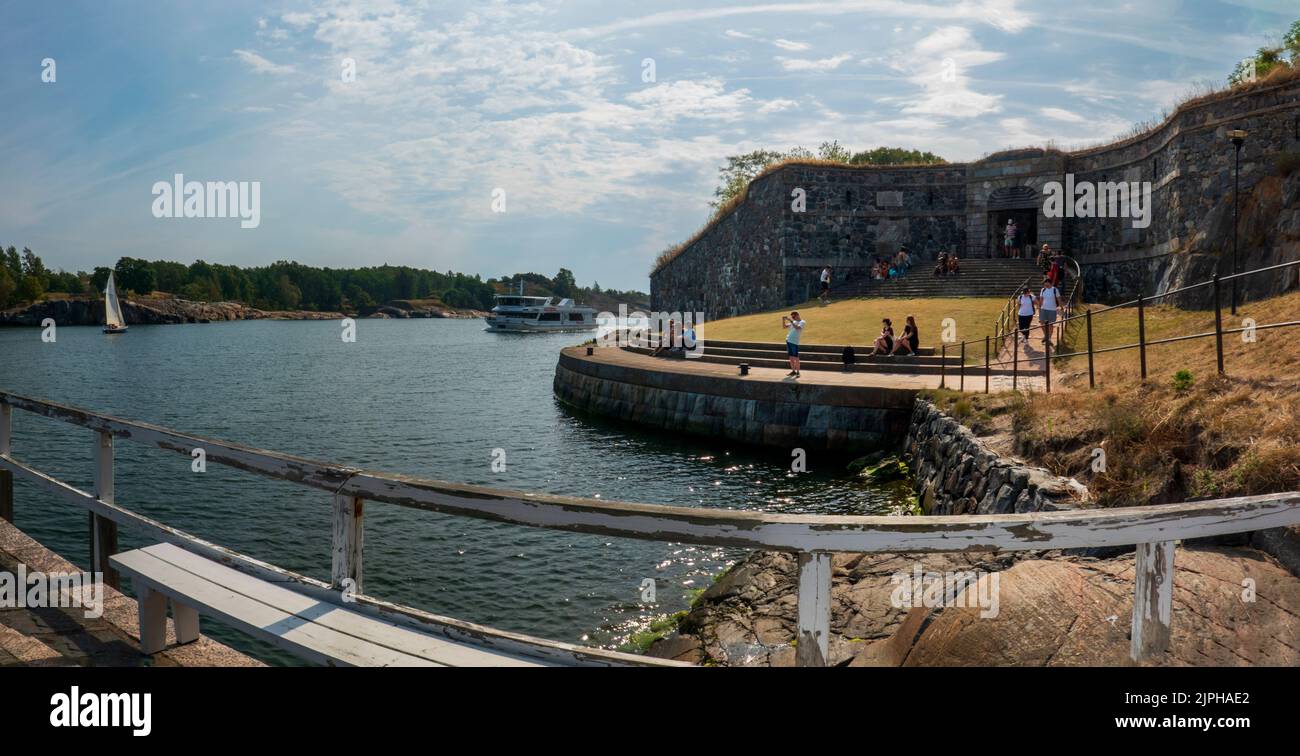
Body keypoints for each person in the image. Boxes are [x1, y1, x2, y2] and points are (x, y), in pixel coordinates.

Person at [1038, 277, 1061, 345]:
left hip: (1052, 309)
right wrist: (1039, 307)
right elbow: (1041, 299)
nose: (1044, 285)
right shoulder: (1043, 290)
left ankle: (1049, 338)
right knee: (1042, 323)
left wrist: (1061, 307)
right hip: (1044, 309)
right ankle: (1046, 336)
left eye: (1045, 283)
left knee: (1051, 325)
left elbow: (1058, 298)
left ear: (1048, 282)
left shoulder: (1055, 289)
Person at [782, 311, 805, 377]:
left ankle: (798, 372)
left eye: (793, 316)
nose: (793, 317)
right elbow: (784, 327)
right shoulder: (793, 322)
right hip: (788, 341)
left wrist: (791, 321)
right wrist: (783, 320)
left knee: (796, 358)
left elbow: (798, 328)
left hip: (794, 342)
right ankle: (793, 371)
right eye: (792, 316)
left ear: (797, 315)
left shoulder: (802, 322)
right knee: (791, 358)